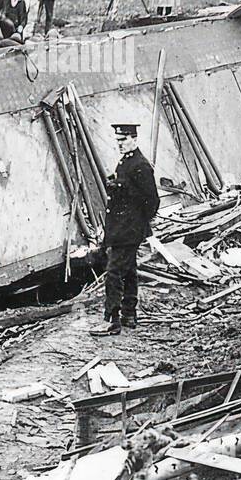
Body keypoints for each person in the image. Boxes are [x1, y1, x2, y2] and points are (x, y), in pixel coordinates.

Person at [90, 122, 160, 336]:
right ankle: (129, 314)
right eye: (118, 140)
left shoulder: (140, 166)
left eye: (123, 140)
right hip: (122, 228)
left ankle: (111, 320)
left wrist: (136, 223)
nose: (119, 144)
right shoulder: (126, 162)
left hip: (129, 230)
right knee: (128, 271)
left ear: (134, 139)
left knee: (113, 273)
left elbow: (152, 201)